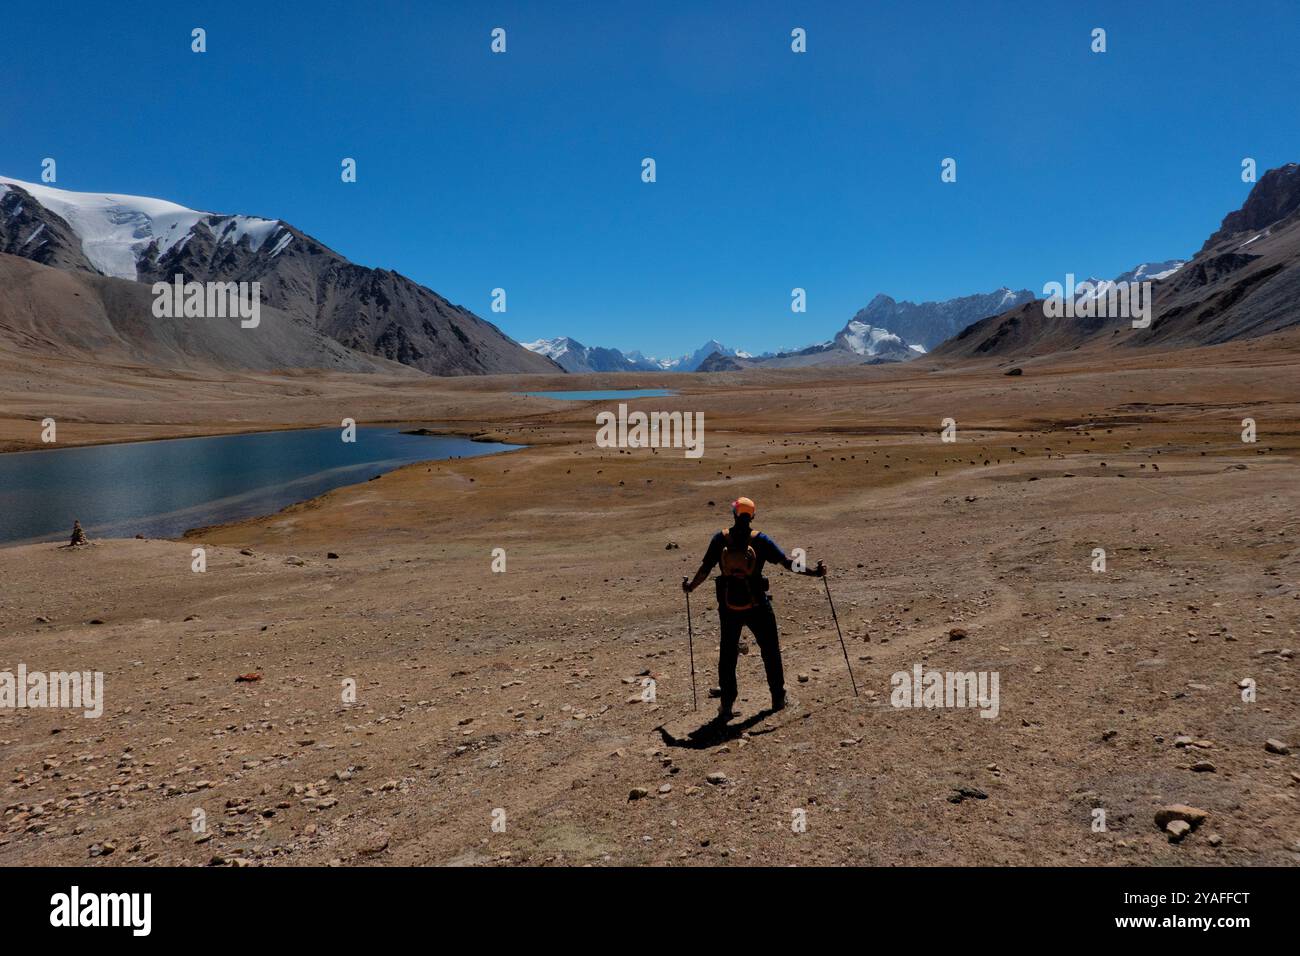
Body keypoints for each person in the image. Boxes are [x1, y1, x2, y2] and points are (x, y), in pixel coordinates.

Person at [682, 496, 825, 721]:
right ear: (753, 516)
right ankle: (778, 698)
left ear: (734, 514)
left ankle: (727, 705)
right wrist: (814, 573)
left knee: (728, 655)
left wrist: (690, 587)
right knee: (770, 650)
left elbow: (705, 568)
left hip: (729, 607)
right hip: (758, 604)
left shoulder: (720, 538)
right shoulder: (761, 540)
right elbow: (787, 563)